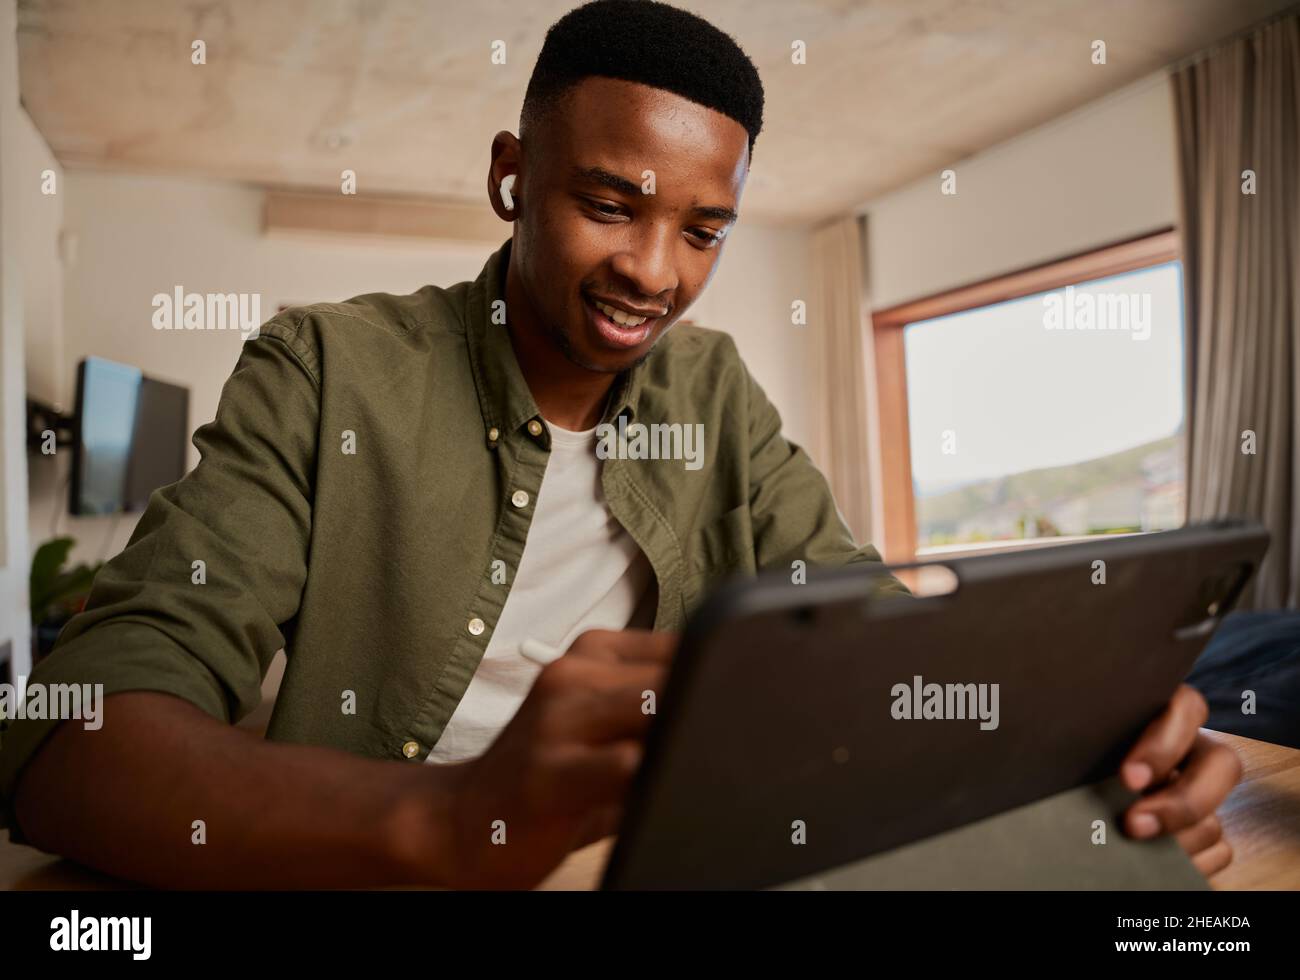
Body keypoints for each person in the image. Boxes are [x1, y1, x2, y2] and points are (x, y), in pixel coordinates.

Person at [0, 0, 1238, 889]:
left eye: (704, 229)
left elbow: (864, 626)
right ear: (510, 173)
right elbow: (66, 734)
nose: (654, 272)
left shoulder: (712, 385)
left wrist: (1092, 737)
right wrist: (455, 819)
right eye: (609, 204)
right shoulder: (325, 369)